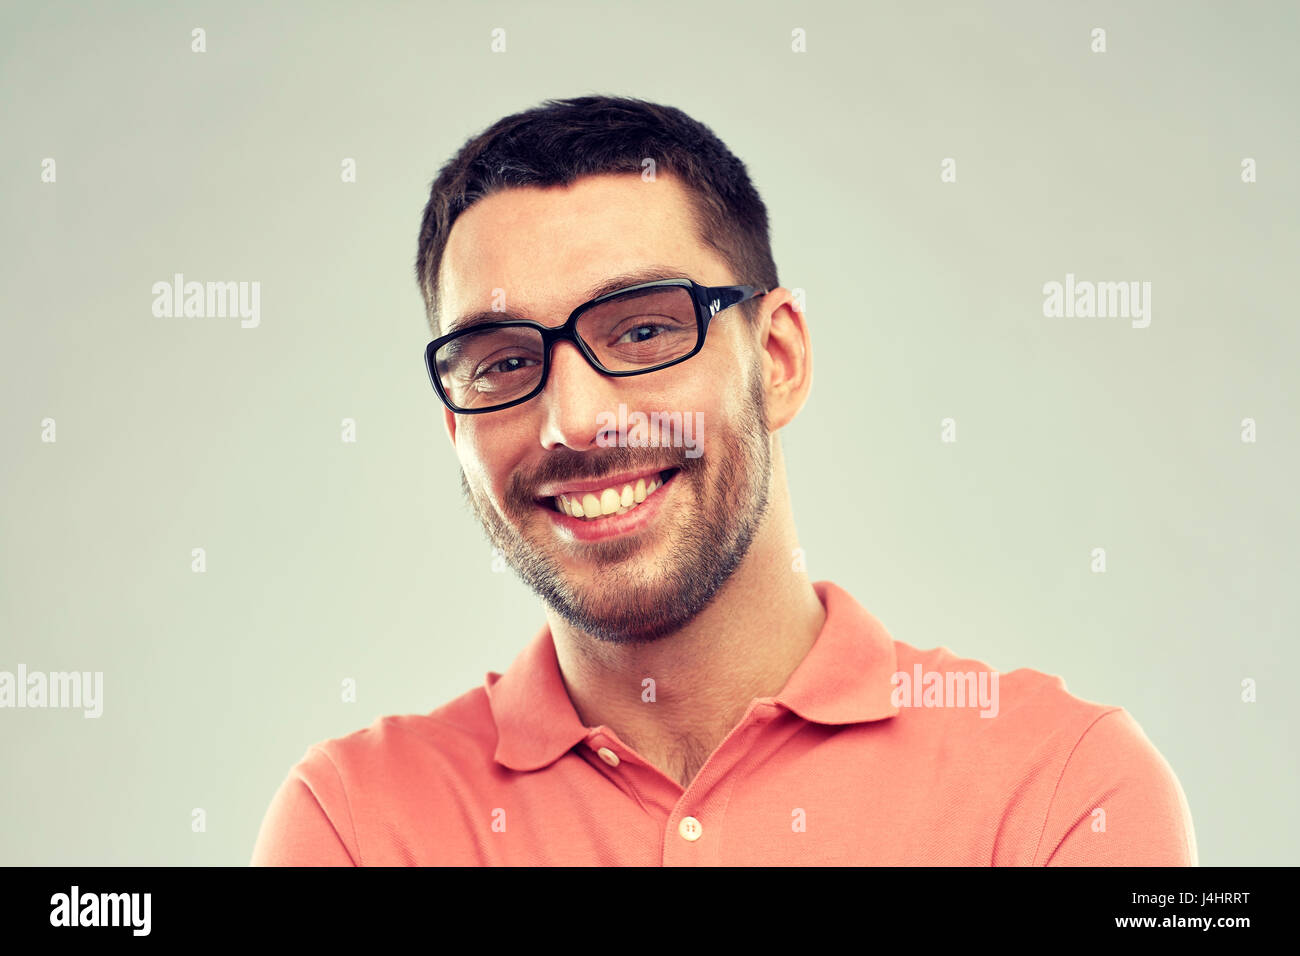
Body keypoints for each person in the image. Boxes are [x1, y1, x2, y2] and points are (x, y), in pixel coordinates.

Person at [251, 95, 1197, 865]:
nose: (575, 420)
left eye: (645, 330)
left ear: (776, 356)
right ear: (456, 424)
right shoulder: (353, 827)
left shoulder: (1064, 790)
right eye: (500, 361)